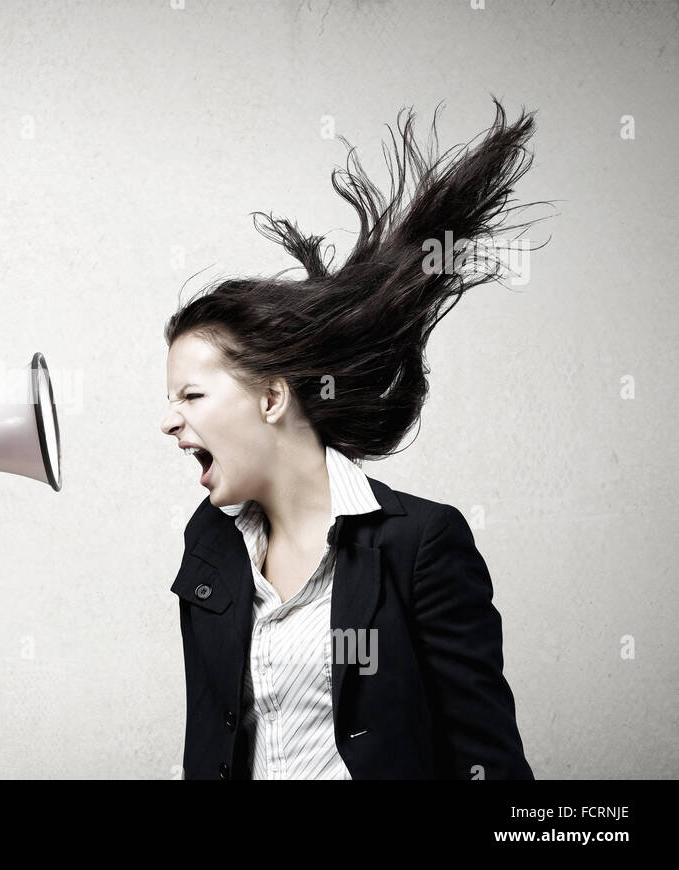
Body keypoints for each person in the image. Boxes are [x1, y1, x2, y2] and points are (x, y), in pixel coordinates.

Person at [161, 98, 548, 780]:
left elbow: (489, 766)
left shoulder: (419, 546)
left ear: (273, 398)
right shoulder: (212, 546)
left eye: (192, 395)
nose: (170, 421)